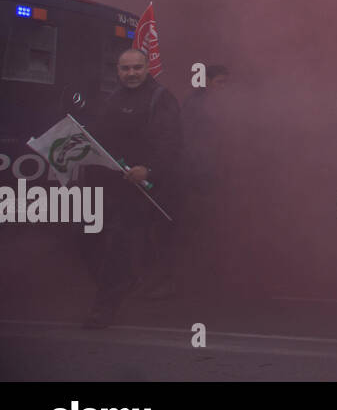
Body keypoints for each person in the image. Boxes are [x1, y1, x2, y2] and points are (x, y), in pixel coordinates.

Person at [78, 48, 184, 328]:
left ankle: (103, 311)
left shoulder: (161, 98)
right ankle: (133, 277)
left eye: (137, 67)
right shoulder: (112, 98)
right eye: (126, 68)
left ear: (147, 68)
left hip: (144, 188)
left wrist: (149, 169)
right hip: (111, 185)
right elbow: (99, 136)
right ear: (117, 71)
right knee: (93, 243)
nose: (132, 73)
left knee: (118, 247)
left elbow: (172, 144)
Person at [140, 64, 228, 300]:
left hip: (198, 176)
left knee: (189, 229)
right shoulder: (197, 105)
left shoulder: (206, 104)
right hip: (189, 177)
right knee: (180, 229)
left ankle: (180, 281)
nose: (224, 88)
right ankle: (171, 281)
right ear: (207, 81)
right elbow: (188, 143)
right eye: (220, 82)